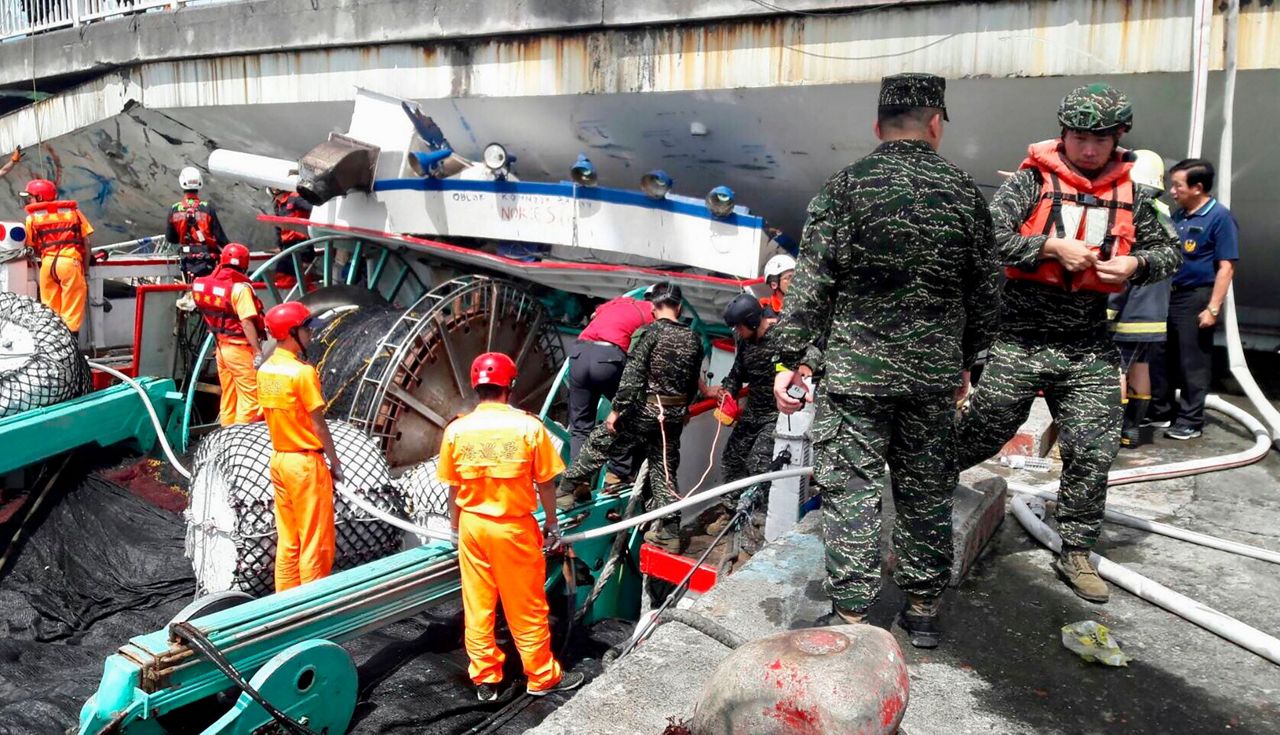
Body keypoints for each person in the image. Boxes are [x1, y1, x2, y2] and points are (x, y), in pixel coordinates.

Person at [954, 83, 1181, 604]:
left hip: (1087, 342)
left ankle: (1076, 548)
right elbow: (988, 237)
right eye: (1080, 138)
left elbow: (1169, 252)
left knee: (1093, 447)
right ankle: (927, 486)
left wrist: (1136, 262)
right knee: (985, 430)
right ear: (1063, 134)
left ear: (1119, 138)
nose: (1089, 149)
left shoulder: (1134, 193)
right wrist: (1050, 247)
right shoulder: (1032, 182)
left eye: (1101, 139)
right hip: (1020, 336)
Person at [436, 352, 586, 702]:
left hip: (472, 527)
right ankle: (541, 676)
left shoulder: (456, 430)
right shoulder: (529, 428)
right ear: (511, 386)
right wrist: (552, 524)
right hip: (513, 529)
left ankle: (485, 679)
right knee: (526, 605)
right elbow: (546, 483)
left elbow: (454, 488)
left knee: (478, 604)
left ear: (476, 386)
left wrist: (455, 528)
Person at [557, 282, 705, 553]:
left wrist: (617, 411)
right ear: (679, 307)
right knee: (664, 470)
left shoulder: (649, 333)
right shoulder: (693, 338)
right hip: (672, 416)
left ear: (654, 307)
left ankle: (567, 488)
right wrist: (684, 409)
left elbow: (633, 376)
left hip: (647, 410)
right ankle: (670, 532)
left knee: (601, 440)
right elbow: (692, 380)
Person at [1148, 158, 1240, 440]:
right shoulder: (1179, 216)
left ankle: (1190, 420)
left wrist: (1213, 308)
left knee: (1193, 360)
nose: (1172, 191)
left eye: (1178, 186)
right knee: (1160, 354)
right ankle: (1161, 411)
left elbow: (1226, 267)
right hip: (1169, 294)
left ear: (1197, 187)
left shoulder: (1219, 218)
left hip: (1196, 297)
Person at [257, 302, 343, 592]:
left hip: (280, 460)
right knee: (315, 542)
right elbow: (319, 425)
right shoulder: (301, 373)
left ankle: (285, 604)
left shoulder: (266, 371)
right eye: (306, 330)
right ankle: (313, 607)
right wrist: (335, 463)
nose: (310, 334)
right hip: (305, 465)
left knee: (289, 540)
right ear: (292, 332)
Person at [702, 293, 786, 534]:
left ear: (751, 321)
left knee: (758, 463)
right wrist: (728, 391)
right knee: (731, 458)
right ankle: (730, 513)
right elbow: (737, 373)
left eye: (739, 326)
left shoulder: (781, 339)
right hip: (753, 413)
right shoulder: (746, 342)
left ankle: (756, 521)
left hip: (777, 416)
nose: (737, 331)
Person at [1108, 149, 1172, 448]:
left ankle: (1116, 430)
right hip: (1154, 315)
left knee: (1117, 368)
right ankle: (1132, 429)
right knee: (1141, 366)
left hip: (1130, 313)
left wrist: (1108, 310)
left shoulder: (1131, 217)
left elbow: (1121, 271)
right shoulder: (1163, 214)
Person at [565, 290, 657, 490]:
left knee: (580, 426)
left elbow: (594, 315)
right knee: (628, 413)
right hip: (608, 357)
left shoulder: (617, 302)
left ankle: (578, 480)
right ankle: (618, 473)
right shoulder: (653, 312)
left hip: (579, 354)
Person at [191, 243, 265, 426]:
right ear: (245, 263)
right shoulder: (239, 289)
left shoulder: (202, 284)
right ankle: (241, 438)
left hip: (221, 349)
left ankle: (225, 434)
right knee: (251, 399)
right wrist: (258, 351)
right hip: (240, 350)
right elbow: (246, 322)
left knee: (229, 397)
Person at [22, 178, 97, 336]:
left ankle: (52, 343)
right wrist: (85, 270)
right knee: (71, 312)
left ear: (39, 197)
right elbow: (87, 243)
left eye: (30, 197)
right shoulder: (73, 213)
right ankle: (70, 344)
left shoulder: (32, 218)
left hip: (47, 265)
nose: (29, 200)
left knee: (50, 312)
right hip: (70, 264)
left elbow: (30, 247)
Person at [167, 166, 230, 281]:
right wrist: (231, 250)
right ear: (199, 183)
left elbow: (171, 238)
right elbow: (220, 238)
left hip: (187, 261)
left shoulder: (174, 209)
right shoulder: (207, 208)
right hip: (207, 261)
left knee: (190, 288)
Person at [270, 187, 316, 289]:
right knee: (282, 272)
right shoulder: (277, 204)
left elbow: (314, 209)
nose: (274, 189)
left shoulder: (295, 198)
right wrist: (280, 246)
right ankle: (284, 291)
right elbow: (279, 227)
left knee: (302, 275)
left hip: (302, 244)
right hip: (288, 246)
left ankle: (309, 292)